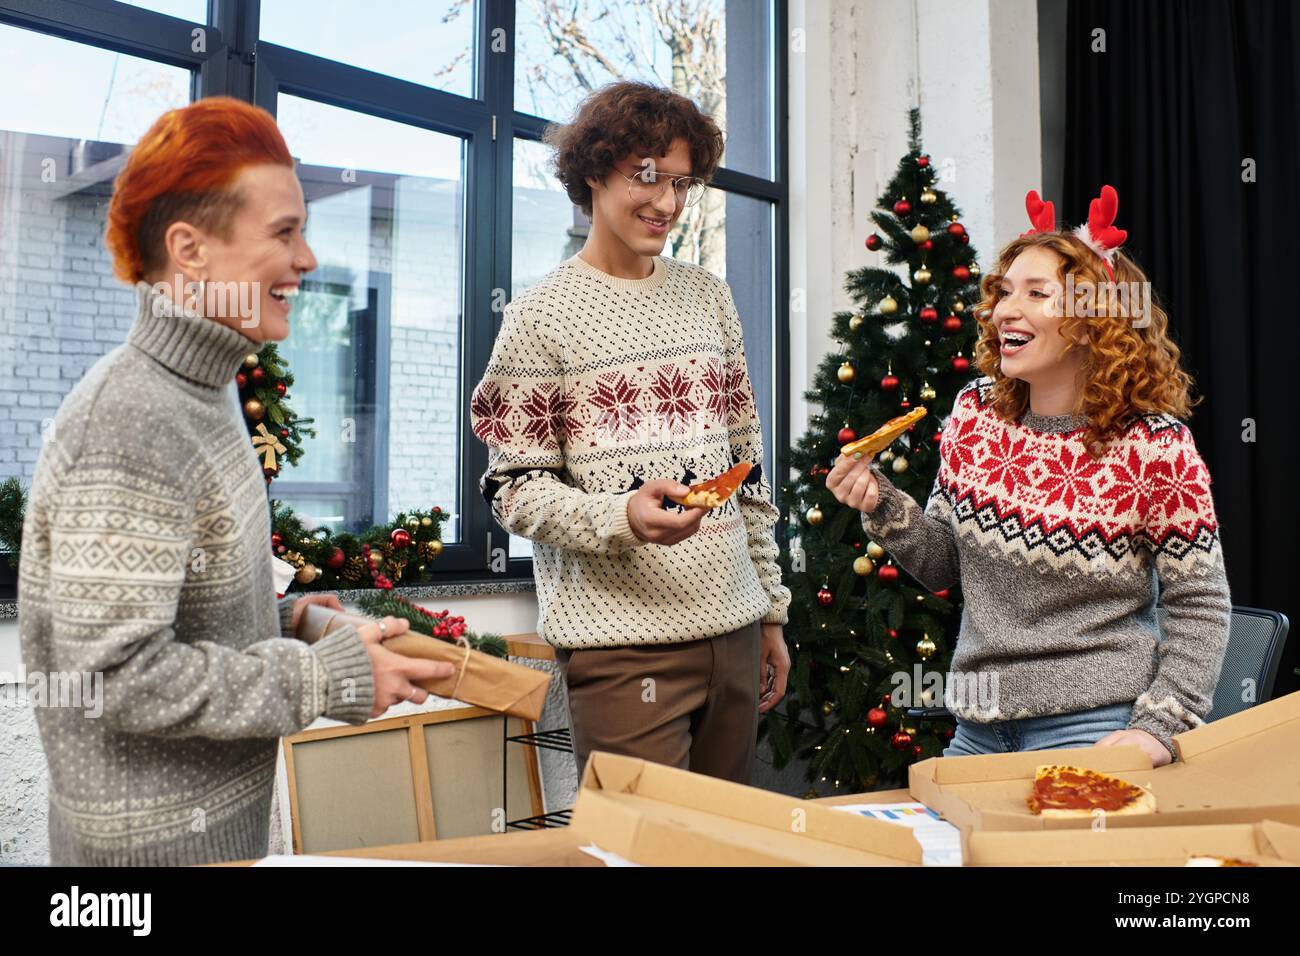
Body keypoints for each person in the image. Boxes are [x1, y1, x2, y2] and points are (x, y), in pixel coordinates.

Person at [18, 96, 453, 865]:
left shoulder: (205, 390)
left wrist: (279, 620)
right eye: (284, 233)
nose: (308, 260)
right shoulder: (130, 418)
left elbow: (170, 613)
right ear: (190, 250)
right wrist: (320, 678)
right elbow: (115, 677)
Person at [825, 186, 1230, 766]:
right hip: (977, 726)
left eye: (1037, 294)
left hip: (1098, 726)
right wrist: (883, 506)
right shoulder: (976, 412)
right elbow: (945, 563)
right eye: (1005, 292)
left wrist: (1157, 729)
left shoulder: (1155, 445)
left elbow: (1200, 603)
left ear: (1092, 322)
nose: (1003, 311)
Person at [469, 81, 791, 783]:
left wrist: (770, 613)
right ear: (593, 172)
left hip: (734, 633)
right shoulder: (540, 315)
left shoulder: (710, 297)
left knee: (720, 852)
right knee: (633, 852)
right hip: (621, 653)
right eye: (647, 177)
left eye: (682, 182)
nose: (668, 203)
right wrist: (622, 516)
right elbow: (513, 491)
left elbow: (748, 473)